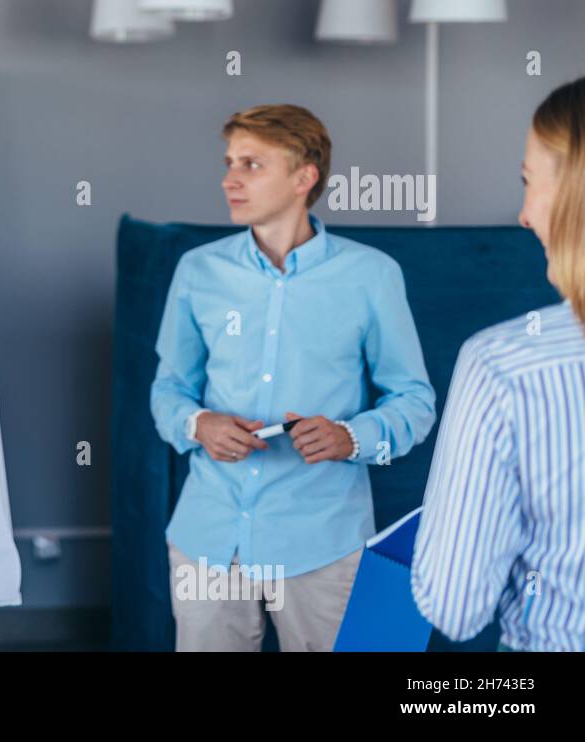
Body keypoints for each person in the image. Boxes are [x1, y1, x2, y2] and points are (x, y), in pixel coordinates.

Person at [151, 104, 436, 651]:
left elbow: (414, 399)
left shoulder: (371, 276)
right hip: (207, 536)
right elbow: (168, 390)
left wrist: (350, 437)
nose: (229, 179)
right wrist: (199, 424)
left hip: (322, 540)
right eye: (229, 161)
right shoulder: (198, 271)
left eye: (252, 164)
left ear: (305, 177)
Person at [413, 77, 585, 652]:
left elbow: (454, 606)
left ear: (571, 195)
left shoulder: (502, 367)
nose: (523, 214)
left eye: (528, 183)